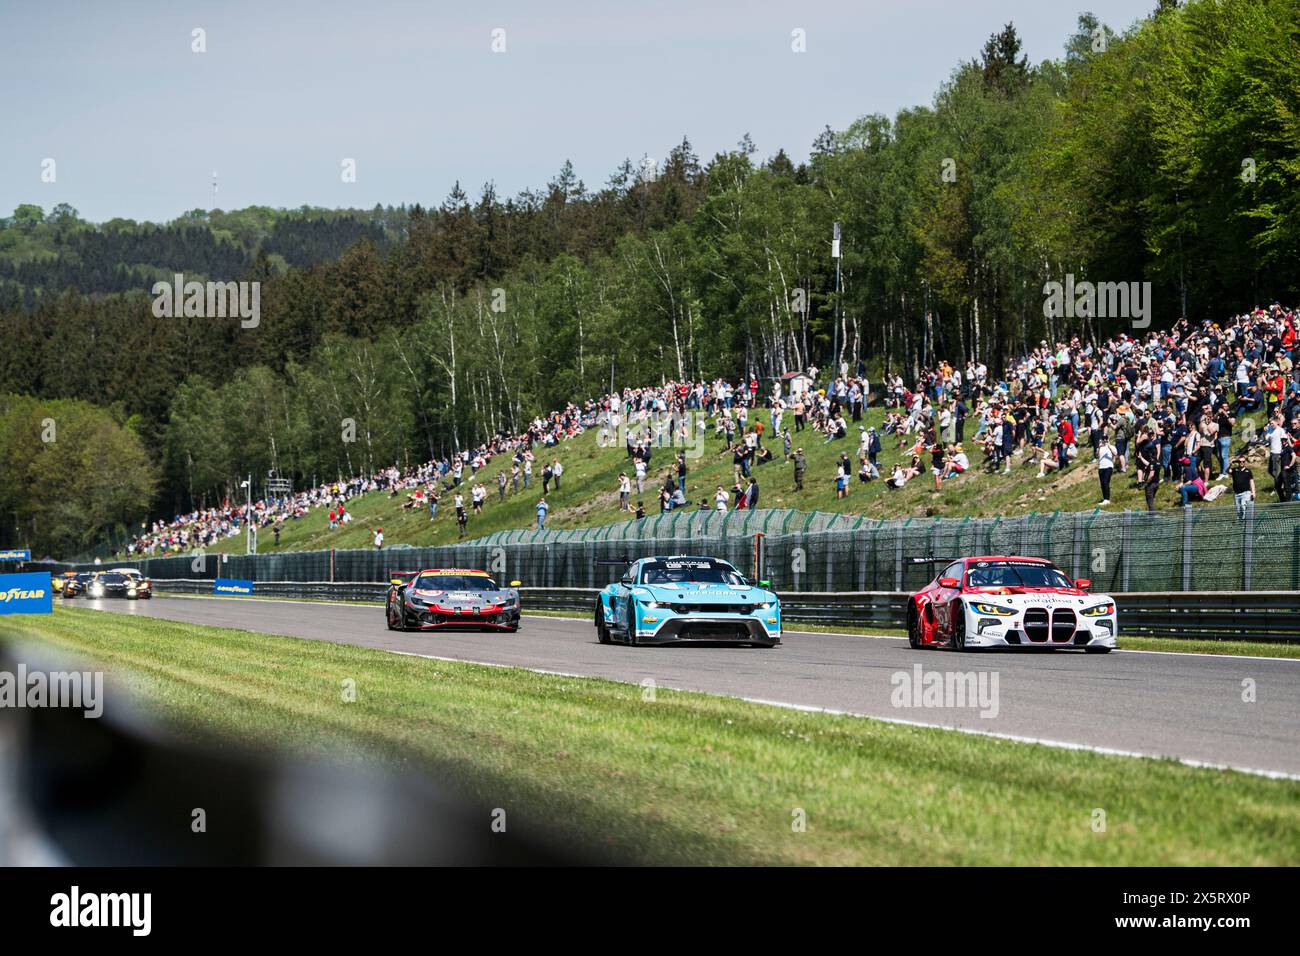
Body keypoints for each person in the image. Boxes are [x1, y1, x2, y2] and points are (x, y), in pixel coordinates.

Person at [1096, 432, 1116, 505]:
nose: (1104, 440)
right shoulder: (1100, 447)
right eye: (1103, 439)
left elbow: (1115, 453)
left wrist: (1109, 446)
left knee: (1105, 482)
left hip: (1108, 466)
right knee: (1102, 484)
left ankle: (1107, 499)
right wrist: (1099, 447)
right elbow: (1097, 456)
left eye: (1106, 439)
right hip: (1101, 467)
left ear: (1108, 439)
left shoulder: (1111, 446)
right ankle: (1105, 498)